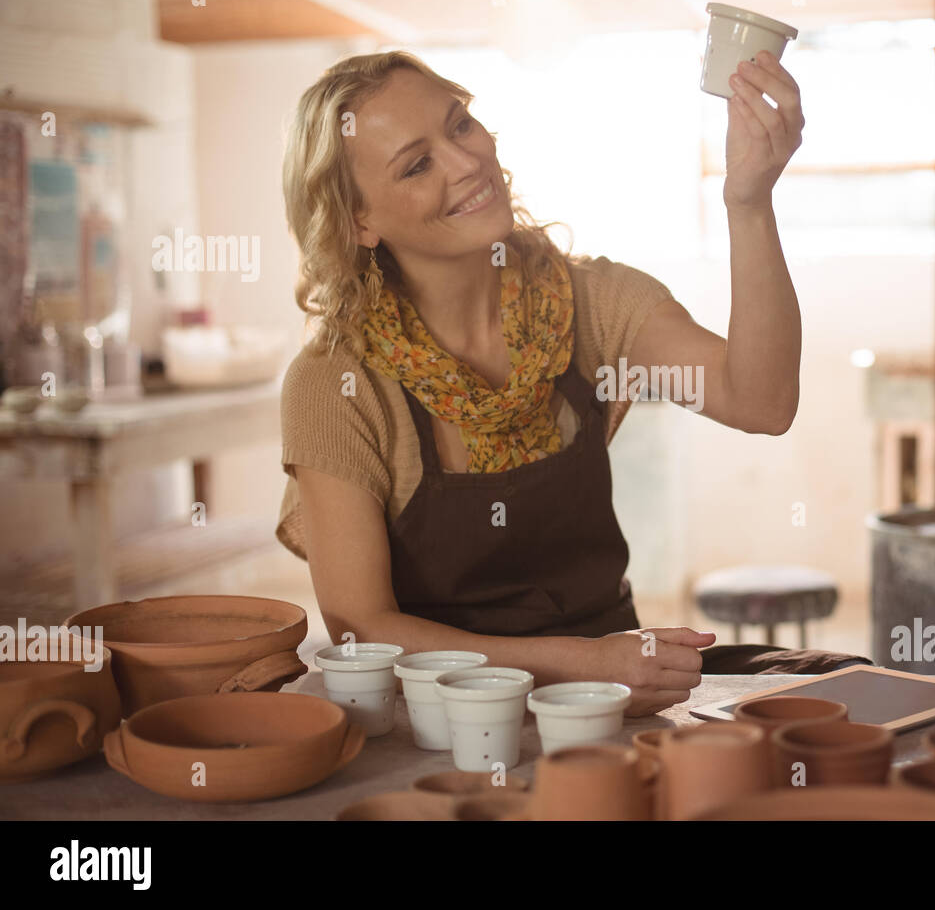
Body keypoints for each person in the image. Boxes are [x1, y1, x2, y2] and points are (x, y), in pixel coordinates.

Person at [276, 49, 869, 717]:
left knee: (849, 684)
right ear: (360, 222)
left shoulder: (592, 303)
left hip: (610, 709)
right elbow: (363, 628)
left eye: (460, 125)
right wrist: (581, 663)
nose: (468, 162)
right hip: (445, 726)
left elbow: (760, 401)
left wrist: (749, 199)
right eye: (418, 164)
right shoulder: (335, 382)